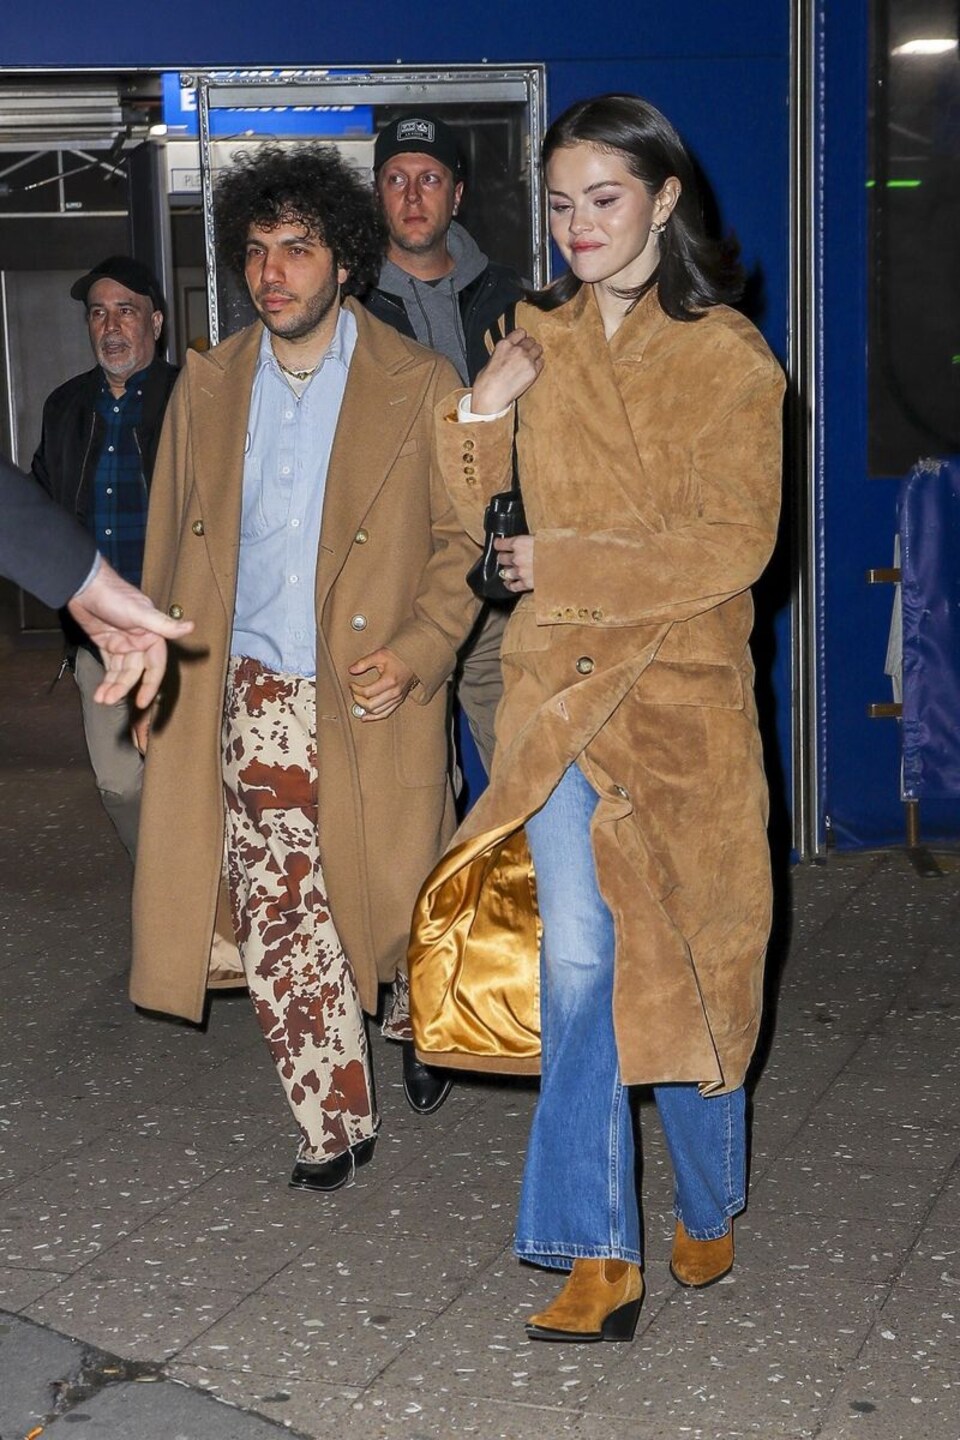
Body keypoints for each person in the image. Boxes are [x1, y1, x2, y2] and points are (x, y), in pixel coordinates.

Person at [410, 93, 785, 1341]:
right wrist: (481, 410)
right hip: (562, 702)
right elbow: (475, 519)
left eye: (605, 199)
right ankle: (593, 1248)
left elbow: (731, 545)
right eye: (561, 203)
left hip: (682, 707)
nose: (577, 226)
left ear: (666, 199)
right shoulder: (531, 335)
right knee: (579, 964)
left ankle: (713, 1192)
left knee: (694, 960)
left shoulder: (732, 358)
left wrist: (558, 560)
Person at [129, 143, 478, 1193]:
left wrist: (418, 653)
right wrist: (155, 661)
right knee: (282, 905)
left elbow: (465, 546)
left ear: (344, 257)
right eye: (254, 249)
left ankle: (421, 1017)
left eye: (296, 246)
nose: (270, 271)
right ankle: (333, 1114)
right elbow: (166, 538)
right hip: (252, 690)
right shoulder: (208, 381)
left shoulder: (420, 383)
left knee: (388, 897)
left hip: (369, 689)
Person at [365, 110, 525, 1114]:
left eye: (431, 177)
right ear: (378, 195)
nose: (415, 193)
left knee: (513, 783)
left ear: (457, 194)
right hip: (399, 593)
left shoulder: (512, 301)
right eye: (397, 177)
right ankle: (419, 1006)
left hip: (498, 590)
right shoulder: (348, 304)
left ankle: (505, 981)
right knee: (411, 803)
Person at [30, 256, 179, 856]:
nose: (111, 326)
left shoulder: (193, 398)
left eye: (126, 310)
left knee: (189, 782)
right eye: (98, 313)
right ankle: (162, 892)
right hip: (100, 636)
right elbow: (41, 503)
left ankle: (194, 917)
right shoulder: (65, 406)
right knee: (120, 786)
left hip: (180, 626)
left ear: (156, 322)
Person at [2, 454, 192, 706]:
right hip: (93, 635)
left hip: (131, 611)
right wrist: (86, 578)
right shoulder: (65, 415)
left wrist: (87, 580)